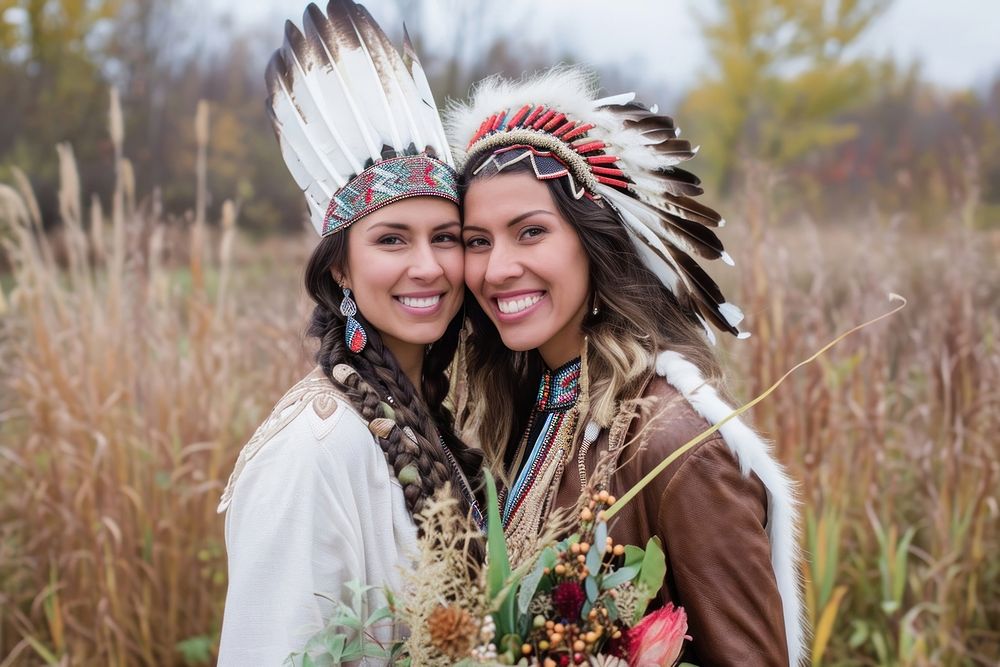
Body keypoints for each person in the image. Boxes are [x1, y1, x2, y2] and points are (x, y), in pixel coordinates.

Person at [448, 68, 804, 665]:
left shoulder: (672, 440)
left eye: (530, 232)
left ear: (598, 242)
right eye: (477, 241)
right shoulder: (530, 404)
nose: (496, 268)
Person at [216, 2, 482, 664]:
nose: (427, 266)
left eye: (444, 238)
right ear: (340, 265)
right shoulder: (313, 451)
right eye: (392, 239)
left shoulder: (418, 414)